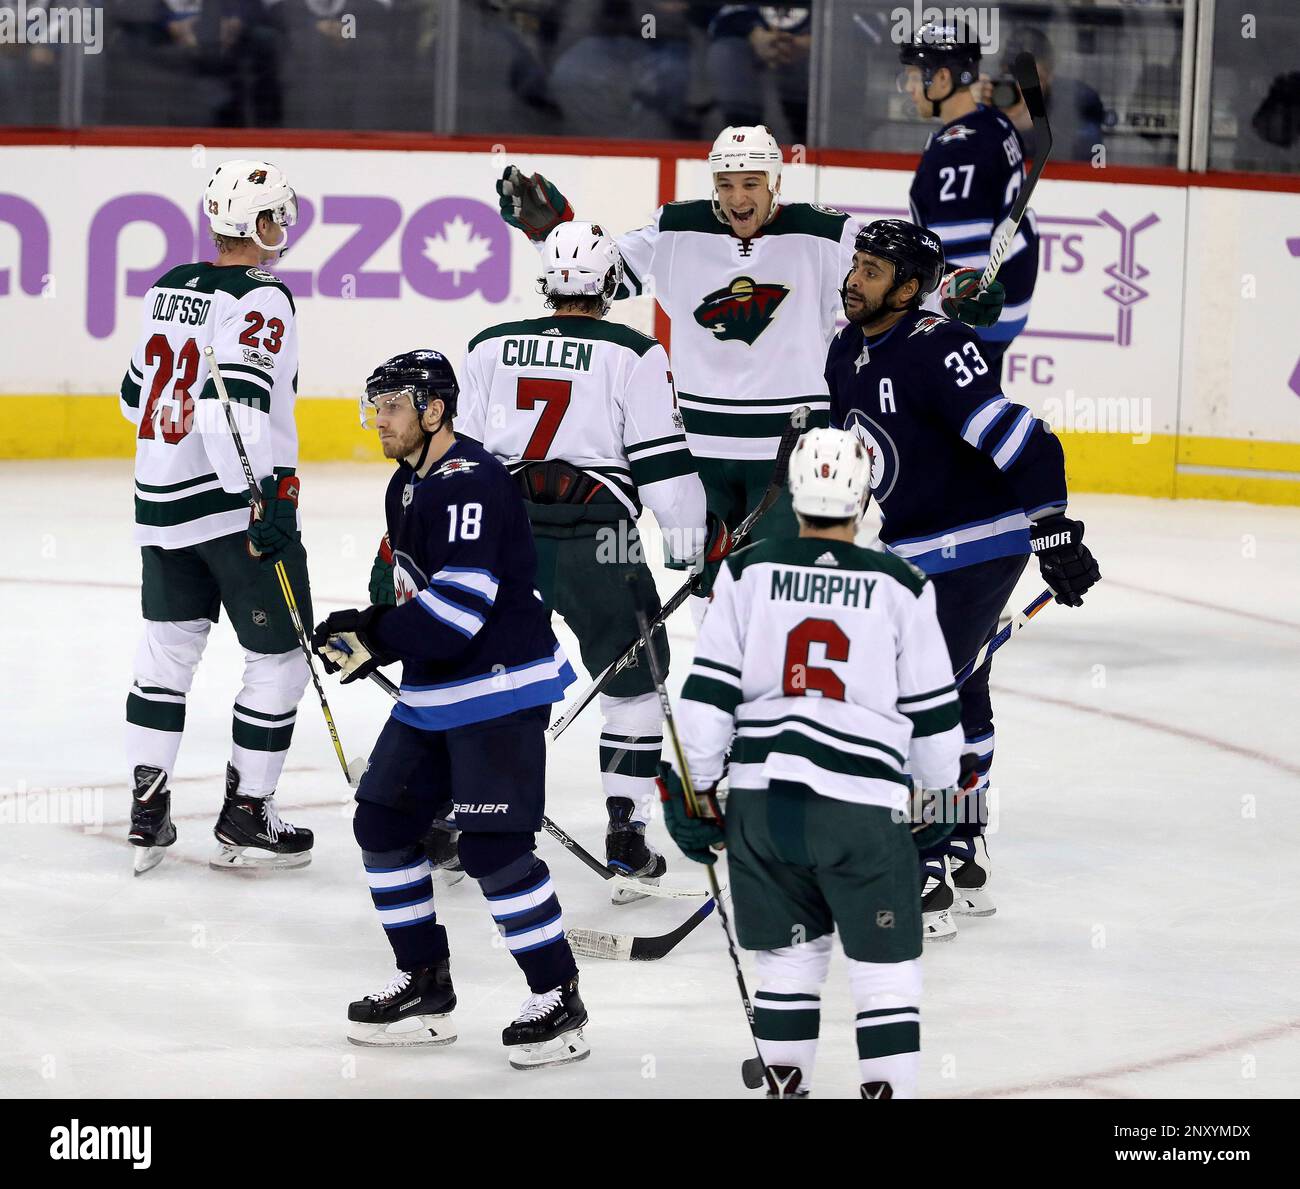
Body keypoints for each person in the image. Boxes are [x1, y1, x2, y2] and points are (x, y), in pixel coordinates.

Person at [494, 126, 1006, 565]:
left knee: (781, 579)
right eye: (726, 184)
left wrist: (955, 290)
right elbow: (601, 275)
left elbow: (897, 274)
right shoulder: (675, 227)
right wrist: (551, 231)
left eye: (751, 183)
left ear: (775, 182)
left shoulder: (824, 232)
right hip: (697, 450)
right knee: (704, 584)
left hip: (792, 447)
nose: (738, 198)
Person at [657, 427, 965, 1099]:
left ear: (793, 492)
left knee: (789, 963)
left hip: (765, 807)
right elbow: (937, 722)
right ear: (865, 496)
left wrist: (692, 794)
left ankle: (784, 1080)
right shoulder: (902, 584)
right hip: (863, 811)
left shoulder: (745, 572)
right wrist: (941, 799)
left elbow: (706, 700)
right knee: (884, 973)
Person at [312, 351, 589, 1070]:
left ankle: (558, 998)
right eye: (375, 406)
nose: (379, 419)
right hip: (438, 690)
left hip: (499, 687)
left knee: (493, 849)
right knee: (383, 824)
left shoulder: (470, 482)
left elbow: (459, 613)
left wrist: (373, 634)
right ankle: (425, 986)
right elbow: (418, 597)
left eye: (393, 406)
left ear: (434, 410)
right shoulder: (407, 483)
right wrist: (369, 632)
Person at [827, 218, 1099, 940]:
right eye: (857, 265)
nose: (855, 279)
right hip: (913, 548)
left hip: (978, 543)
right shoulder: (845, 350)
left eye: (873, 270)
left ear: (908, 290)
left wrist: (1054, 530)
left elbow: (1025, 439)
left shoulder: (936, 345)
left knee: (914, 696)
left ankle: (924, 872)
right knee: (961, 687)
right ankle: (962, 845)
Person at [454, 222, 726, 900]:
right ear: (609, 284)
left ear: (546, 281)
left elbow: (460, 459)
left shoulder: (488, 345)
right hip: (602, 540)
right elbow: (662, 465)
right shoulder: (636, 352)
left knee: (478, 673)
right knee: (636, 680)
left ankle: (452, 818)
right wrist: (691, 547)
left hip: (505, 536)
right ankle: (627, 832)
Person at [119, 159, 314, 875]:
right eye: (274, 216)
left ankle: (147, 813)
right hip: (231, 508)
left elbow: (131, 397)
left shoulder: (168, 285)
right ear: (252, 223)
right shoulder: (263, 296)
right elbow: (233, 407)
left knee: (165, 653)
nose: (282, 228)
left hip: (159, 502)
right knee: (282, 656)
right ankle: (247, 812)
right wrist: (261, 496)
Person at [899, 22, 1039, 381]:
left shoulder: (957, 154)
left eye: (914, 77)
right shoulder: (994, 121)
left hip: (980, 317)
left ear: (942, 78)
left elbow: (962, 273)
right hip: (1007, 305)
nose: (909, 88)